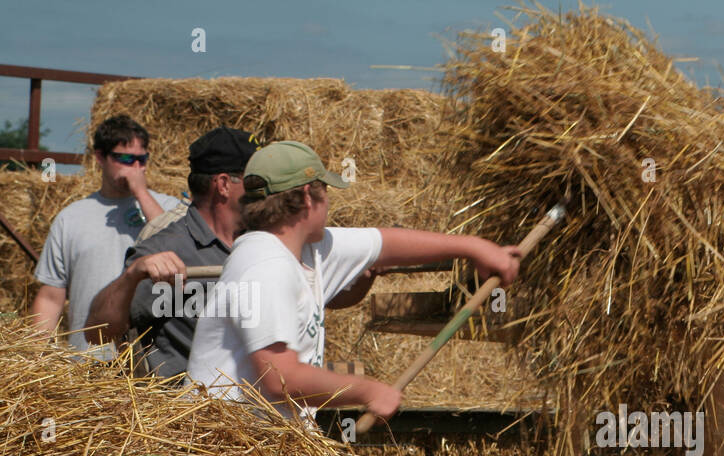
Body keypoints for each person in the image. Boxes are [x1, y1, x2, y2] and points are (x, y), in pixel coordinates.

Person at [186, 140, 520, 425]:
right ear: (306, 196)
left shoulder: (309, 249)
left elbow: (385, 244)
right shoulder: (263, 264)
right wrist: (367, 389)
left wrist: (475, 248)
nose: (329, 202)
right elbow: (278, 378)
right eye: (326, 191)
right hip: (226, 449)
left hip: (265, 447)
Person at [85, 127, 260, 377]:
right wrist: (132, 276)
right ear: (223, 184)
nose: (266, 191)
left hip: (256, 408)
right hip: (192, 410)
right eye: (255, 181)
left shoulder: (261, 242)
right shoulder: (167, 249)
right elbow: (96, 333)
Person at [31, 115, 181, 356]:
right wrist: (34, 356)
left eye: (141, 160)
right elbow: (51, 296)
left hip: (155, 369)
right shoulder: (71, 217)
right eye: (124, 159)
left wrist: (140, 192)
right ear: (100, 157)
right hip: (90, 363)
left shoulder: (168, 207)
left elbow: (176, 244)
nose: (135, 168)